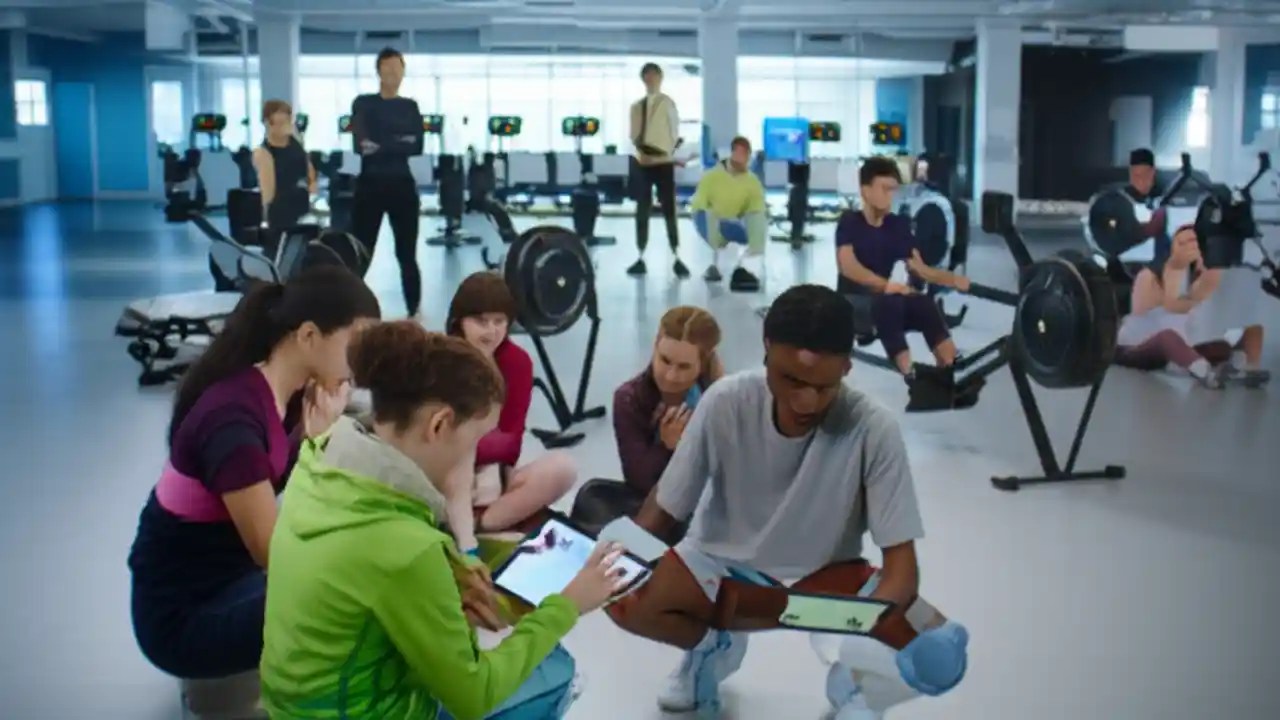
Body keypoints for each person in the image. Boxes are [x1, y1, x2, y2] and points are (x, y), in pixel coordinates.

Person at [604, 285, 968, 719]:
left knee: (941, 655)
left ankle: (856, 688)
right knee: (622, 592)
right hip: (720, 571)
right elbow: (661, 513)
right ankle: (711, 646)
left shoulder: (875, 428)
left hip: (825, 583)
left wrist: (861, 632)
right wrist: (604, 567)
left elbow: (902, 569)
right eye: (791, 379)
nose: (806, 401)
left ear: (847, 368)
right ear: (766, 350)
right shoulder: (725, 402)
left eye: (824, 386)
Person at [260, 321, 629, 719]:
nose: (469, 460)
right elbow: (473, 696)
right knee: (556, 669)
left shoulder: (319, 461)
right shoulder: (406, 549)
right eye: (472, 441)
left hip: (298, 705)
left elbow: (361, 575)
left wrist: (453, 569)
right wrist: (569, 605)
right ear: (438, 425)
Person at [127, 266, 381, 681]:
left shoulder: (286, 395)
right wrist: (320, 447)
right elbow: (276, 554)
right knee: (363, 601)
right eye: (355, 343)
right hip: (183, 619)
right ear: (308, 336)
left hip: (232, 580)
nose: (361, 362)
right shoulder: (234, 423)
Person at [443, 272, 577, 554]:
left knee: (563, 467)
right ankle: (466, 528)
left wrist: (473, 442)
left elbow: (511, 442)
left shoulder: (516, 363)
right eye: (481, 321)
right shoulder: (441, 358)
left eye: (499, 321)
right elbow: (436, 440)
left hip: (494, 475)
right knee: (459, 461)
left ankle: (483, 523)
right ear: (460, 320)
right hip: (444, 470)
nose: (491, 331)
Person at [836, 157, 974, 405]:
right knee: (889, 302)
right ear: (866, 191)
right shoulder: (850, 222)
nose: (890, 196)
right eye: (884, 189)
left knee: (922, 304)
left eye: (893, 190)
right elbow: (848, 267)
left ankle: (950, 367)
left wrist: (952, 279)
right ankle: (912, 376)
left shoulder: (897, 225)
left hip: (886, 301)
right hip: (852, 303)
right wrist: (885, 285)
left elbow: (919, 268)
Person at [1115, 226, 1270, 388]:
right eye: (1184, 243)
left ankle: (1247, 368)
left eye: (1196, 243)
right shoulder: (1150, 277)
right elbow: (1145, 319)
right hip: (1140, 344)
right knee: (1168, 337)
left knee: (1249, 328)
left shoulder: (1202, 276)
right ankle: (1205, 372)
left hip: (1188, 342)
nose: (1191, 248)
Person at [350, 47, 426, 318]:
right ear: (379, 71)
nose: (393, 73)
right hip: (369, 186)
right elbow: (361, 145)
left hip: (402, 188)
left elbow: (417, 145)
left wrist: (381, 142)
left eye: (398, 68)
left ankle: (414, 310)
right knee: (360, 252)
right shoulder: (363, 103)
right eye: (388, 67)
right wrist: (398, 141)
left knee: (407, 253)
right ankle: (352, 310)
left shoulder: (410, 106)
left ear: (403, 72)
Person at [628, 62, 686, 279]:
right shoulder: (636, 107)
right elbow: (633, 135)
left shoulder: (667, 103)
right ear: (643, 79)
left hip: (663, 163)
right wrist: (644, 151)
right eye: (648, 76)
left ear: (660, 78)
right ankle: (640, 253)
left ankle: (676, 253)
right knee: (641, 209)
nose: (651, 80)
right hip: (643, 163)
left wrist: (668, 153)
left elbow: (673, 131)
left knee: (669, 208)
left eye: (655, 76)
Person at [690, 136, 767, 291]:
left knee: (754, 225)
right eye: (738, 154)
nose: (741, 159)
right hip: (708, 217)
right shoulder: (711, 176)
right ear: (732, 154)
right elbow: (700, 206)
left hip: (731, 221)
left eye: (745, 155)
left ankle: (743, 267)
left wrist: (756, 238)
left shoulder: (752, 182)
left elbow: (757, 209)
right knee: (712, 222)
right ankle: (716, 265)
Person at [252, 99, 316, 259]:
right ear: (268, 123)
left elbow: (309, 171)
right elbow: (268, 189)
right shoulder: (263, 153)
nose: (284, 126)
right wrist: (265, 217)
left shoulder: (296, 144)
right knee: (278, 253)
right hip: (280, 210)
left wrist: (313, 192)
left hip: (302, 206)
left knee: (302, 254)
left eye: (286, 121)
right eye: (278, 122)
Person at [1123, 147, 1171, 260]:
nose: (1139, 181)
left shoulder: (1166, 193)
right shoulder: (1123, 195)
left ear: (1152, 172)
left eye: (1143, 176)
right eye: (1135, 176)